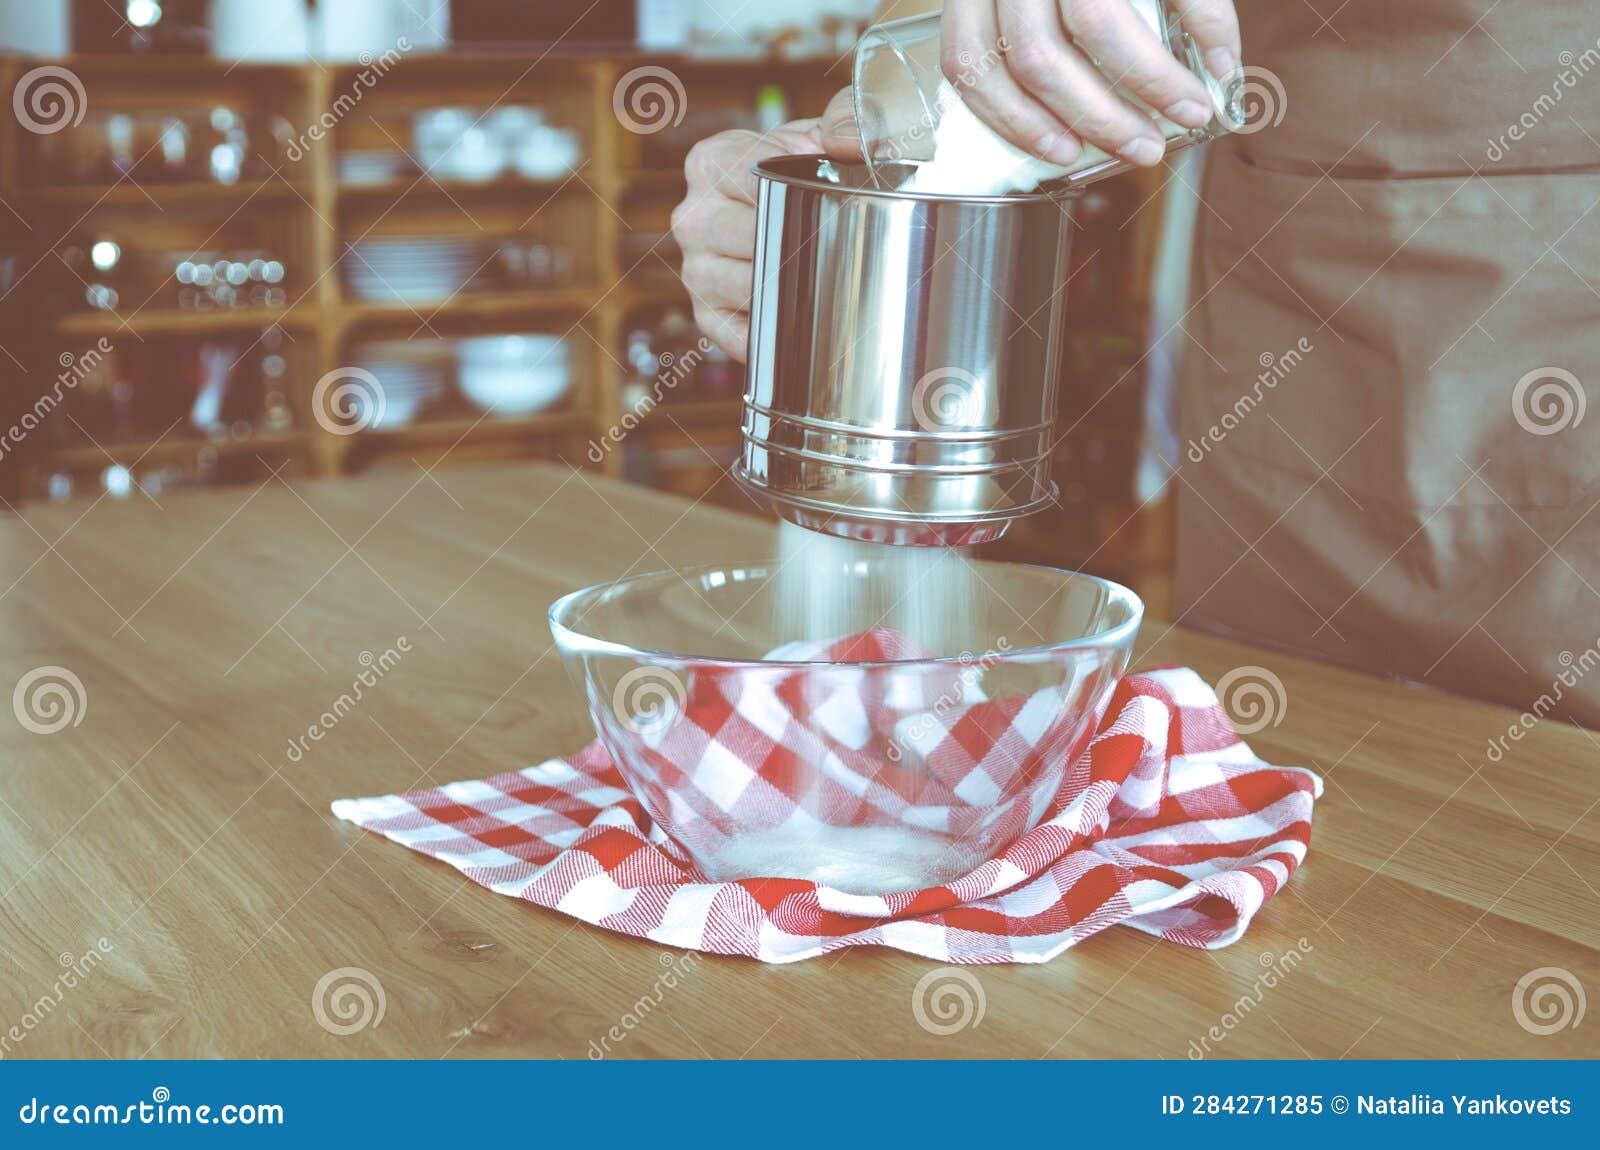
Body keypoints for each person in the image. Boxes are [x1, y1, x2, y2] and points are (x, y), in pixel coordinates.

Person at [672, 0, 1600, 726]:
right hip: (1296, 323)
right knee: (1287, 784)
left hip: (1563, 310)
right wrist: (836, 149)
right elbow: (969, 53)